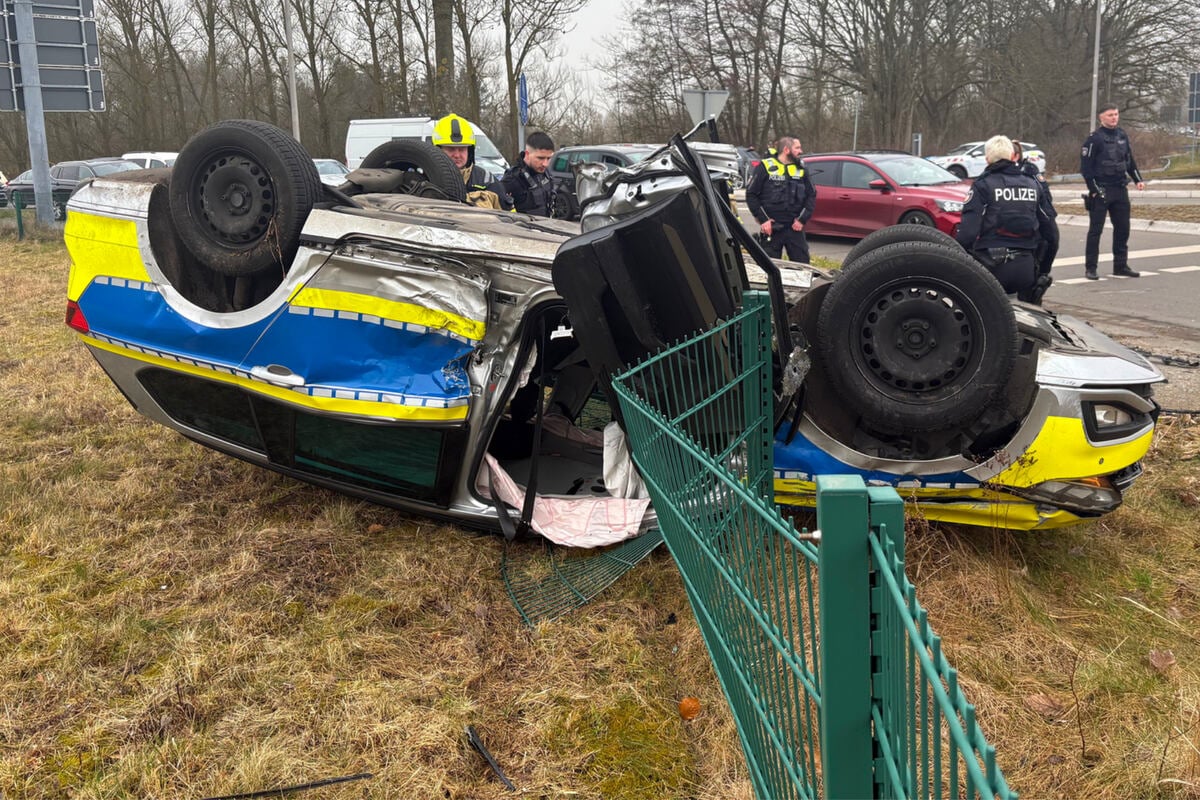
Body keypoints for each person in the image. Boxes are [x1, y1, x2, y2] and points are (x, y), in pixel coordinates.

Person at [955, 135, 1058, 300]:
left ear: (987, 159)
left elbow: (967, 234)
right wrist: (1043, 272)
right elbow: (1052, 235)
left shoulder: (983, 185)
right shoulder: (1033, 184)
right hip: (1026, 269)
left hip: (990, 270)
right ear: (1012, 156)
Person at [1080, 104, 1145, 280]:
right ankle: (1091, 268)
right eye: (1110, 115)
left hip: (1120, 188)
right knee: (1096, 231)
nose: (1114, 118)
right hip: (1101, 189)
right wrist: (1094, 190)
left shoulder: (1122, 135)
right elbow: (1086, 168)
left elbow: (1129, 161)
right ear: (1102, 118)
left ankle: (1121, 265)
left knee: (1123, 229)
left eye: (1116, 114)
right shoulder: (1094, 139)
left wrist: (1138, 179)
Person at [745, 135, 816, 262]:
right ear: (786, 150)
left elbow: (811, 195)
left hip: (794, 227)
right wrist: (763, 220)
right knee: (768, 268)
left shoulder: (802, 169)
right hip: (772, 227)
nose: (801, 151)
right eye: (797, 148)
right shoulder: (765, 166)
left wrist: (802, 220)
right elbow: (751, 194)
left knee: (802, 266)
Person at [431, 113, 513, 210]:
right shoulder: (426, 180)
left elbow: (510, 216)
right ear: (438, 150)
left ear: (469, 151)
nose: (457, 155)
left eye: (462, 149)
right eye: (450, 149)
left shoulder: (486, 180)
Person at [502, 131, 556, 216]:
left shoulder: (546, 174)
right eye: (540, 158)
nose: (545, 164)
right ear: (527, 154)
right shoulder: (512, 179)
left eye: (548, 158)